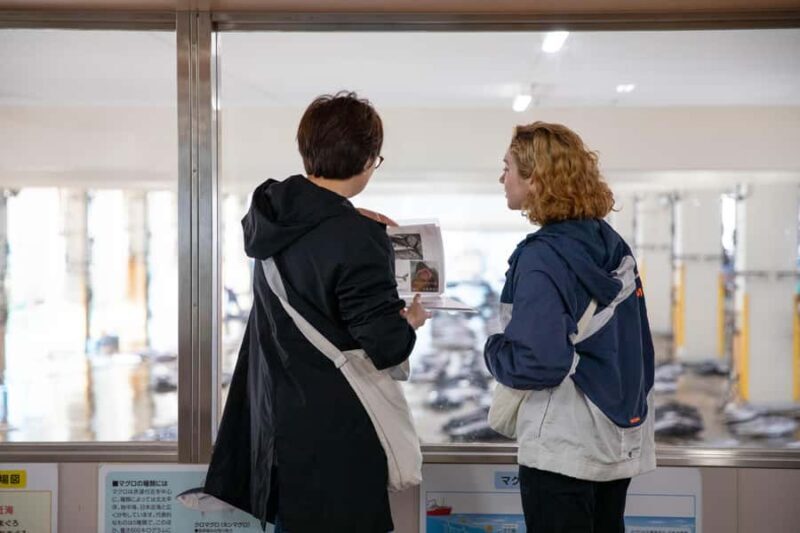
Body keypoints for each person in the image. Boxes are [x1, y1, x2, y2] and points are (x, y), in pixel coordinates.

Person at [204, 91, 429, 533]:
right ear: (368, 160)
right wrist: (413, 320)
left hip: (281, 434)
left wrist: (345, 217)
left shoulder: (271, 218)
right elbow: (386, 344)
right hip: (339, 439)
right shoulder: (358, 237)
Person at [484, 122, 656, 533]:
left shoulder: (540, 257)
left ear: (536, 179)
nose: (501, 177)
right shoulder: (612, 246)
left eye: (507, 167)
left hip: (563, 443)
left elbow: (537, 364)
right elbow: (637, 347)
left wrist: (493, 349)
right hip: (618, 433)